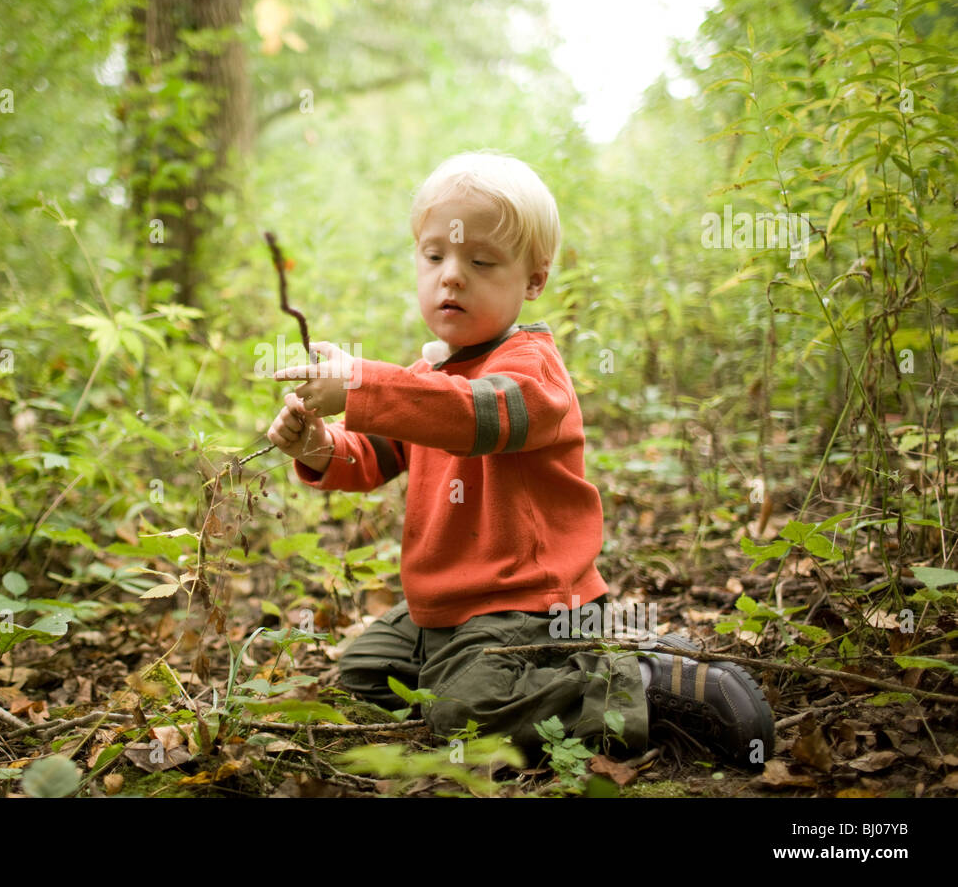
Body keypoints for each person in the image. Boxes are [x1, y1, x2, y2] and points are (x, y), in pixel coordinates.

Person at [266, 151, 774, 769]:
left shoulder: (530, 367)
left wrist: (363, 387)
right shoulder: (427, 375)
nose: (451, 276)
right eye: (434, 257)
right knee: (365, 676)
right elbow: (374, 454)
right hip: (447, 608)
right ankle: (497, 674)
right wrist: (316, 445)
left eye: (481, 262)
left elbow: (480, 417)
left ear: (533, 280)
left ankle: (636, 680)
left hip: (526, 602)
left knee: (465, 713)